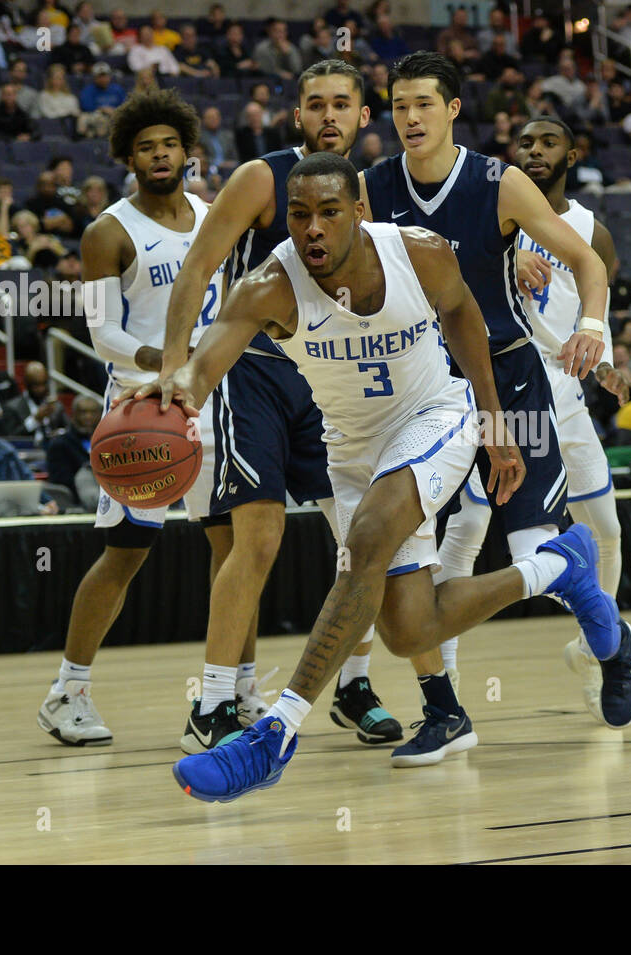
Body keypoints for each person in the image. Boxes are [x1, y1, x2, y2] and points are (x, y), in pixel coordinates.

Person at [150, 151, 619, 801]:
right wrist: (175, 391)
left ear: (360, 213)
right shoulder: (269, 285)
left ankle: (275, 734)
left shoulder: (418, 251)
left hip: (434, 416)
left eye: (329, 212)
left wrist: (492, 419)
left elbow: (464, 315)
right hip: (354, 451)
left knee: (366, 541)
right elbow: (206, 363)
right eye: (299, 214)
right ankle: (558, 568)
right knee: (410, 629)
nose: (312, 227)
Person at [360, 53, 631, 758]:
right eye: (399, 106)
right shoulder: (373, 187)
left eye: (425, 103)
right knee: (431, 557)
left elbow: (590, 261)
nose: (411, 117)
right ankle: (445, 710)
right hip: (424, 390)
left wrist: (593, 326)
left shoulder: (499, 182)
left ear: (453, 109)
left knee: (531, 554)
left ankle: (613, 643)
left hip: (509, 379)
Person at [148, 60, 402, 751]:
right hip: (254, 373)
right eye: (314, 103)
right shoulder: (263, 177)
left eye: (341, 104)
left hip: (334, 385)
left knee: (363, 541)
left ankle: (352, 685)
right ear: (296, 115)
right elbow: (198, 264)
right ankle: (213, 701)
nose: (328, 114)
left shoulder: (370, 194)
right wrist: (177, 367)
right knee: (257, 539)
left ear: (361, 118)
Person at [36, 90, 227, 748]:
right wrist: (168, 359)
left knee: (233, 549)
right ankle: (69, 689)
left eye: (168, 144)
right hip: (143, 410)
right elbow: (101, 334)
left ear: (187, 151)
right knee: (124, 555)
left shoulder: (212, 215)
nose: (158, 155)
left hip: (211, 403)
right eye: (145, 146)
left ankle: (234, 690)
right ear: (128, 157)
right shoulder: (106, 232)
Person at [438, 115, 631, 727]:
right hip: (506, 392)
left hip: (567, 396)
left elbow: (587, 306)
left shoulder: (590, 232)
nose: (534, 150)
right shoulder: (490, 218)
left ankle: (600, 645)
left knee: (606, 527)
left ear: (573, 153)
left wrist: (603, 360)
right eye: (524, 142)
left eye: (548, 141)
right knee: (468, 527)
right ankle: (444, 684)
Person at [44, 394, 100, 506]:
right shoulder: (59, 444)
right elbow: (61, 482)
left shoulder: (108, 442)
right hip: (75, 503)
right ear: (73, 414)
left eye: (93, 412)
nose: (88, 416)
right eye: (83, 412)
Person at [0, 361, 68, 443]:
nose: (41, 389)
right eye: (36, 385)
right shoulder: (12, 407)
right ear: (27, 384)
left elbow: (68, 430)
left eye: (43, 384)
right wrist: (35, 420)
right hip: (26, 451)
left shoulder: (57, 406)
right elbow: (11, 437)